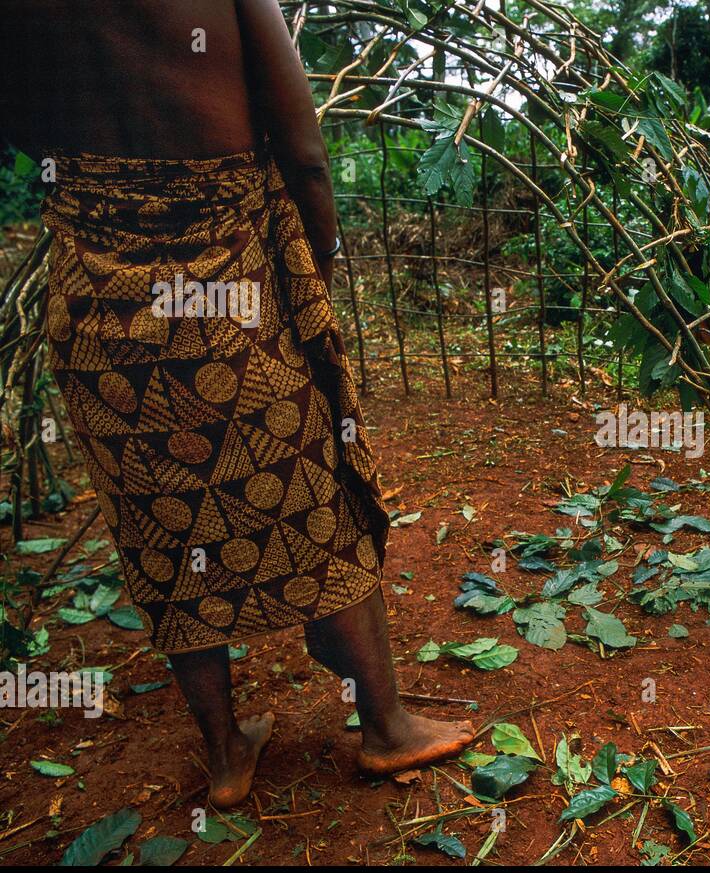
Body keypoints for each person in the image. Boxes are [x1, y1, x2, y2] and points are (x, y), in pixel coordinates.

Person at [0, 0, 472, 809]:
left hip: (99, 309)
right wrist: (313, 271)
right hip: (233, 294)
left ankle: (226, 755)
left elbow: (24, 132)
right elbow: (305, 152)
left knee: (160, 520)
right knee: (314, 487)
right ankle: (386, 723)